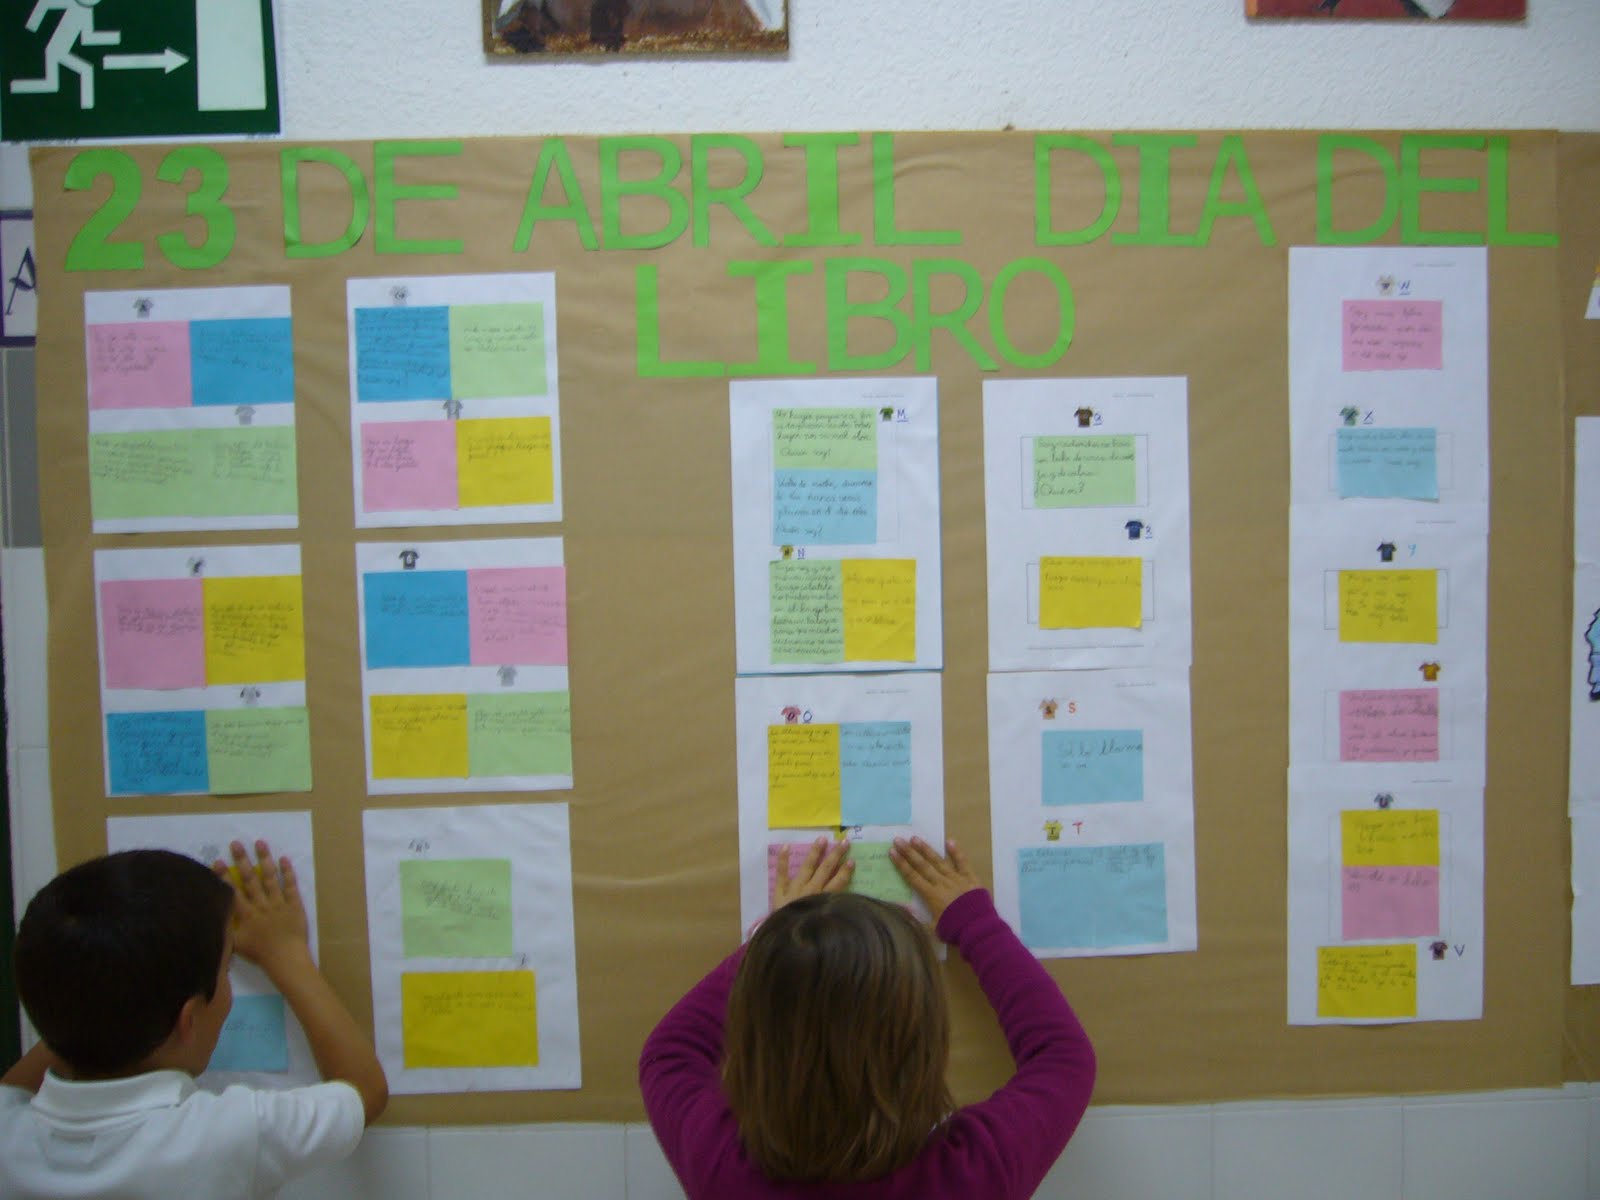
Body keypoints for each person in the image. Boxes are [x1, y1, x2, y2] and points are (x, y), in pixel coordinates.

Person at [639, 835, 1096, 1198]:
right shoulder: (971, 1177)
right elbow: (1063, 1058)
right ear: (925, 1042)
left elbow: (671, 1051)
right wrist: (974, 922)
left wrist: (780, 940)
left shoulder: (724, 1173)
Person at [0, 839, 388, 1199]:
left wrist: (85, 992)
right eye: (228, 967)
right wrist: (286, 954)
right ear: (188, 1019)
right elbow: (364, 1091)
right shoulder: (228, 1134)